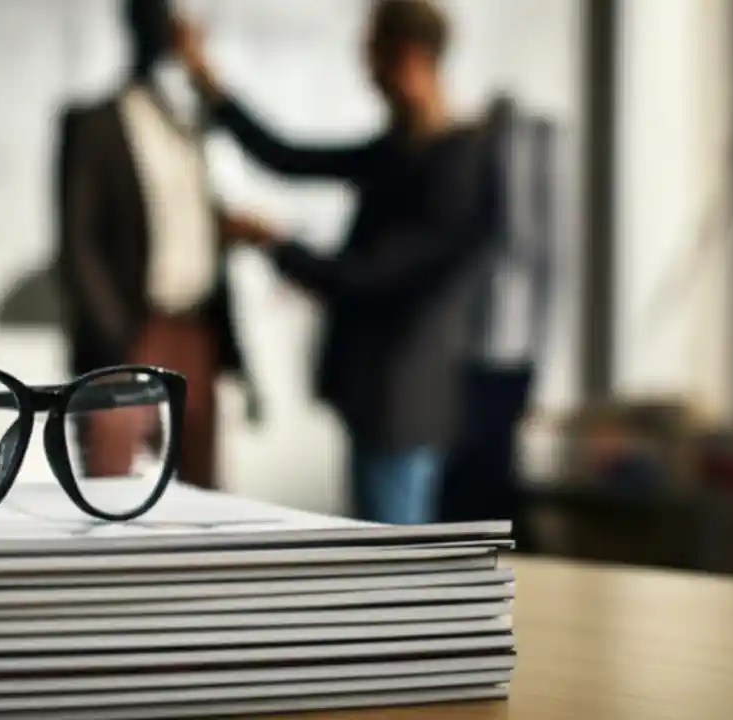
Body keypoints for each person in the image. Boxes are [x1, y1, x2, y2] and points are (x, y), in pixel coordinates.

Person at [180, 0, 502, 523]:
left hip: (403, 396)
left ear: (408, 57)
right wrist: (209, 84)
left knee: (394, 562)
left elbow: (370, 277)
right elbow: (286, 157)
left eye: (372, 59)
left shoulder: (455, 162)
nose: (368, 75)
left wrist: (273, 243)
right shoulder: (403, 150)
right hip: (382, 394)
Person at [55, 0, 252, 491]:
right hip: (132, 329)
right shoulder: (94, 124)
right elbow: (79, 245)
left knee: (202, 493)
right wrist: (119, 337)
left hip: (196, 327)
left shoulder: (193, 124)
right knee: (112, 492)